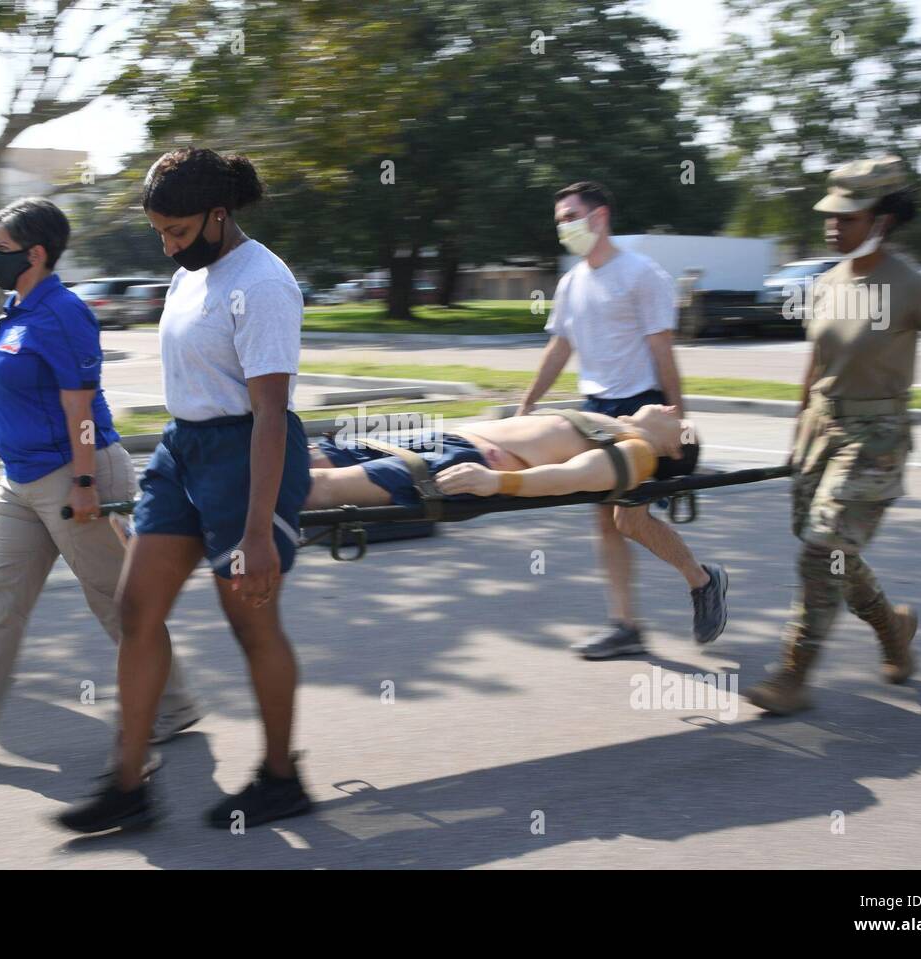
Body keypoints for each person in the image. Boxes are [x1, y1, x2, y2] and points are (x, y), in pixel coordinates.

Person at [57, 149, 311, 834]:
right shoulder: (189, 275)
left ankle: (283, 777)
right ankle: (130, 785)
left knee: (250, 621)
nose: (168, 245)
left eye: (176, 231)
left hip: (246, 455)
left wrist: (258, 533)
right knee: (137, 609)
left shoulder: (262, 282)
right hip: (184, 449)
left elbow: (268, 413)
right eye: (158, 232)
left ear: (218, 214)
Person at [0, 197, 199, 762]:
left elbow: (79, 406)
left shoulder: (63, 312)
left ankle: (173, 703)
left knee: (115, 601)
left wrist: (85, 484)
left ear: (36, 253)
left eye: (3, 250)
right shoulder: (12, 308)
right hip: (21, 480)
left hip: (75, 476)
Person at [744, 156, 921, 715]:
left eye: (848, 218)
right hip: (820, 431)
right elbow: (818, 360)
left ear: (880, 220)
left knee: (823, 548)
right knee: (833, 551)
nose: (834, 226)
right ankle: (893, 629)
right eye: (831, 216)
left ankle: (792, 674)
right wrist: (796, 428)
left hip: (875, 437)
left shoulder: (910, 286)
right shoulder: (827, 281)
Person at [519, 181, 728, 658]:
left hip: (643, 409)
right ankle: (625, 625)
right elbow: (560, 348)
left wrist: (681, 422)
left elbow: (662, 348)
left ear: (600, 217)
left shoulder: (641, 274)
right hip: (596, 412)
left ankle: (702, 580)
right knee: (606, 520)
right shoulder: (572, 282)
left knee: (628, 518)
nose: (564, 227)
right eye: (559, 220)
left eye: (570, 216)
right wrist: (527, 404)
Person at [307, 404, 698, 509]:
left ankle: (247, 524)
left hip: (462, 460)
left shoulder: (640, 456)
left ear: (675, 448)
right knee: (305, 458)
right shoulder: (615, 426)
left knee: (319, 489)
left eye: (678, 420)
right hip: (444, 439)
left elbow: (574, 478)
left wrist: (498, 482)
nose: (671, 408)